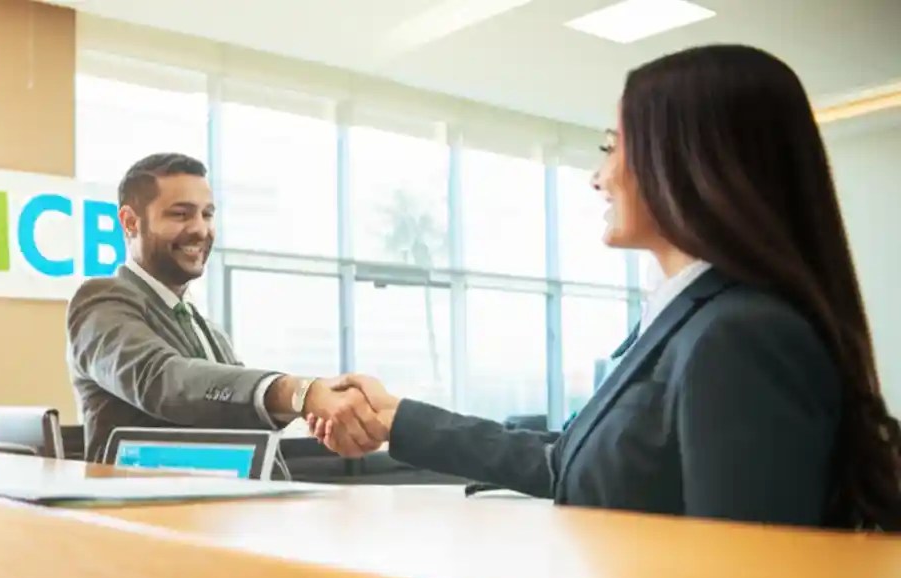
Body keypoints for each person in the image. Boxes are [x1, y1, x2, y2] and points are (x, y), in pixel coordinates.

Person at [312, 45, 901, 530]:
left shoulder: (740, 334)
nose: (600, 177)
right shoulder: (691, 322)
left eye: (612, 146)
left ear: (686, 159)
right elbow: (567, 460)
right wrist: (396, 417)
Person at [67, 153, 383, 464]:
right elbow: (162, 380)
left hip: (229, 507)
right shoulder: (100, 302)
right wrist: (300, 393)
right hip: (146, 509)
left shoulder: (209, 332)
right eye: (180, 214)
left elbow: (235, 406)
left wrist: (325, 411)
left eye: (207, 215)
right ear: (130, 222)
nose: (200, 230)